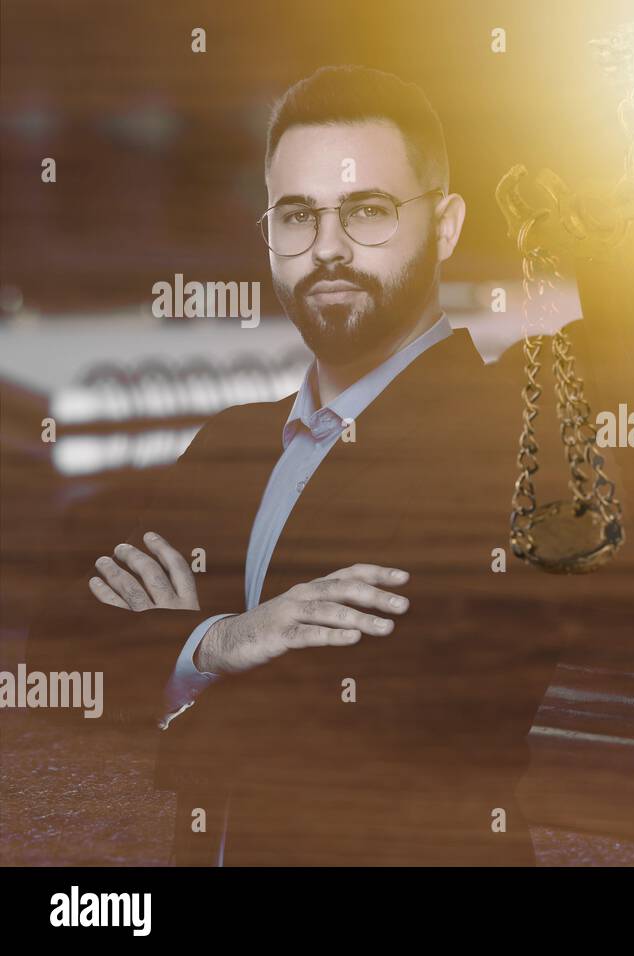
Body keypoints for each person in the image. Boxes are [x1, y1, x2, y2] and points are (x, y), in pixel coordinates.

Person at [31, 65, 565, 865]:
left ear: (446, 225)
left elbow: (382, 735)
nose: (327, 250)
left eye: (368, 213)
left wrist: (171, 659)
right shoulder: (231, 444)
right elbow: (51, 644)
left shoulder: (512, 440)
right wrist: (223, 642)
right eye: (296, 216)